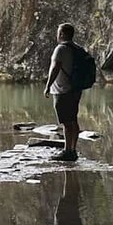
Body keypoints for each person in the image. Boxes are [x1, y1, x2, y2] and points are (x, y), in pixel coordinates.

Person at [45, 22, 83, 162]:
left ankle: (67, 152)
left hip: (62, 89)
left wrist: (48, 85)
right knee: (73, 119)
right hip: (76, 88)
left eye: (58, 32)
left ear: (61, 34)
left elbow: (55, 68)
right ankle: (73, 149)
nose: (57, 34)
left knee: (66, 122)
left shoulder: (60, 49)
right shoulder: (78, 48)